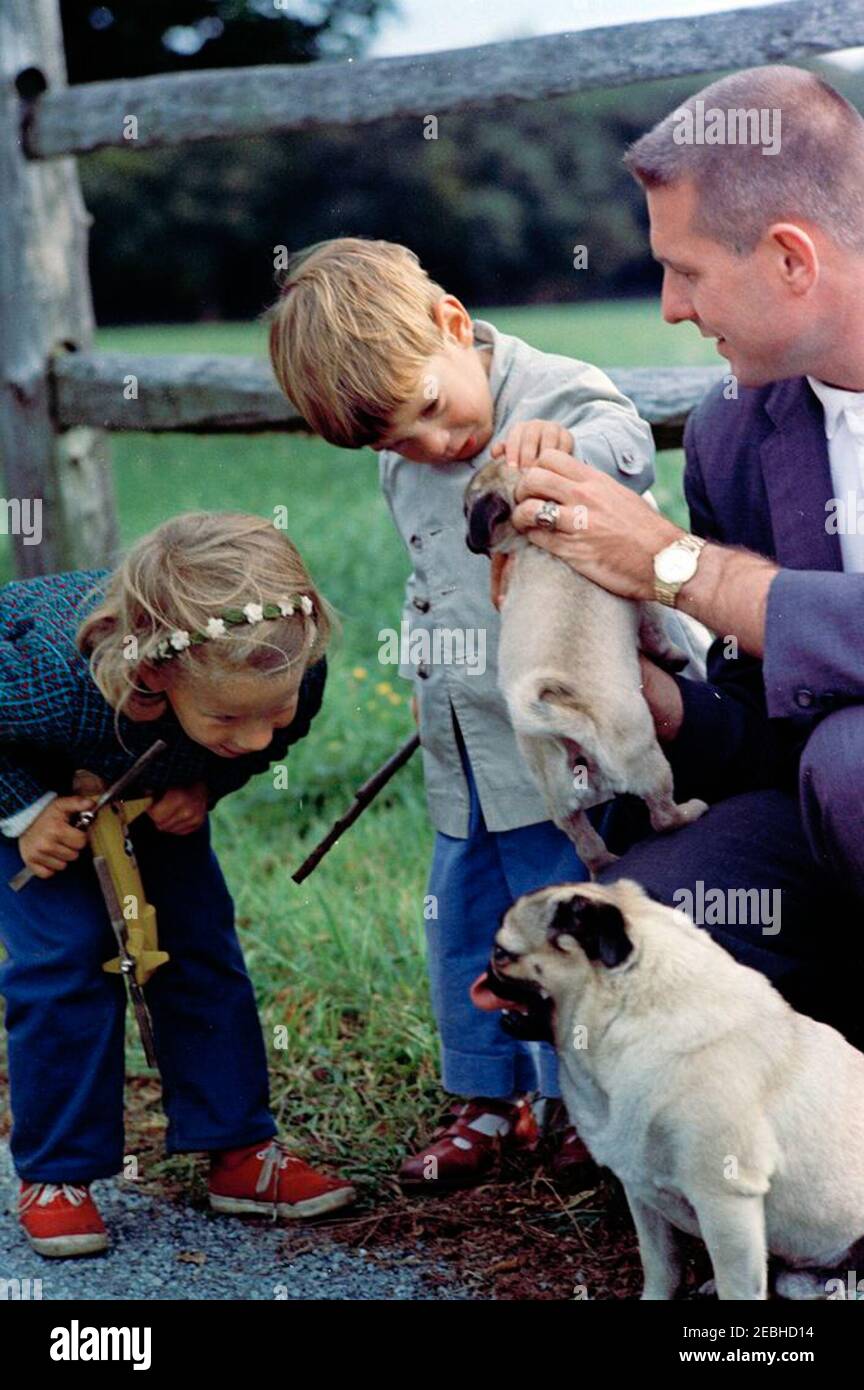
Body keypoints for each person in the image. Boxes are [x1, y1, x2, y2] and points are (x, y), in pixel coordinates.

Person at [266, 237, 707, 1190]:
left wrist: (564, 453)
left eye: (429, 410)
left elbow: (623, 443)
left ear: (454, 325)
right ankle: (487, 1100)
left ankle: (582, 1108)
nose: (432, 447)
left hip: (560, 737)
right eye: (396, 442)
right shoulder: (407, 460)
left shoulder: (556, 397)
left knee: (560, 921)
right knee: (465, 914)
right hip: (462, 736)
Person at [501, 65, 864, 1048]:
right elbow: (762, 735)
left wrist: (680, 567)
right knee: (612, 939)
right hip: (827, 838)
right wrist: (659, 707)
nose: (669, 306)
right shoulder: (733, 434)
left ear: (792, 258)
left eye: (688, 270)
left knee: (851, 760)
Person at [0, 511, 356, 1257]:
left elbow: (268, 735)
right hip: (32, 793)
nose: (262, 733)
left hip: (162, 793)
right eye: (232, 717)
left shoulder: (284, 658)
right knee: (63, 958)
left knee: (197, 945)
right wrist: (26, 812)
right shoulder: (41, 675)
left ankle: (238, 1151)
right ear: (157, 675)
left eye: (276, 711)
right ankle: (58, 1174)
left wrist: (213, 775)